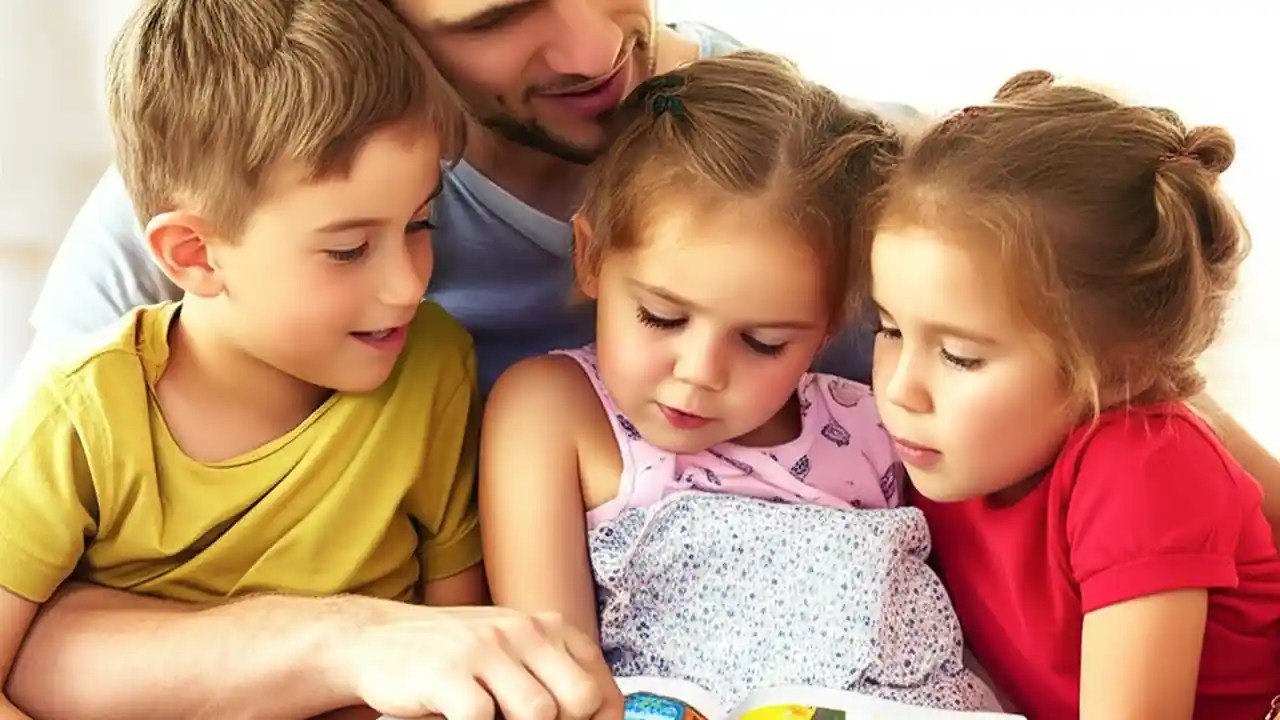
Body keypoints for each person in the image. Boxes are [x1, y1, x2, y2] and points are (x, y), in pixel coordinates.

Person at [0, 2, 615, 719]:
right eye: (348, 249)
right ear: (194, 255)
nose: (408, 284)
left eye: (420, 224)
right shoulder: (81, 415)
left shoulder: (433, 367)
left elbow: (463, 643)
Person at [479, 52, 997, 712]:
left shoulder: (877, 425)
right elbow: (553, 670)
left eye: (763, 342)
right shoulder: (555, 410)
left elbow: (958, 626)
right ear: (591, 257)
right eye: (661, 317)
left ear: (832, 324)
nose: (699, 372)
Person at [868, 70, 1280, 718]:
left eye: (959, 356)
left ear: (1118, 372)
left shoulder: (1144, 467)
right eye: (887, 328)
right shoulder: (959, 440)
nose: (899, 388)